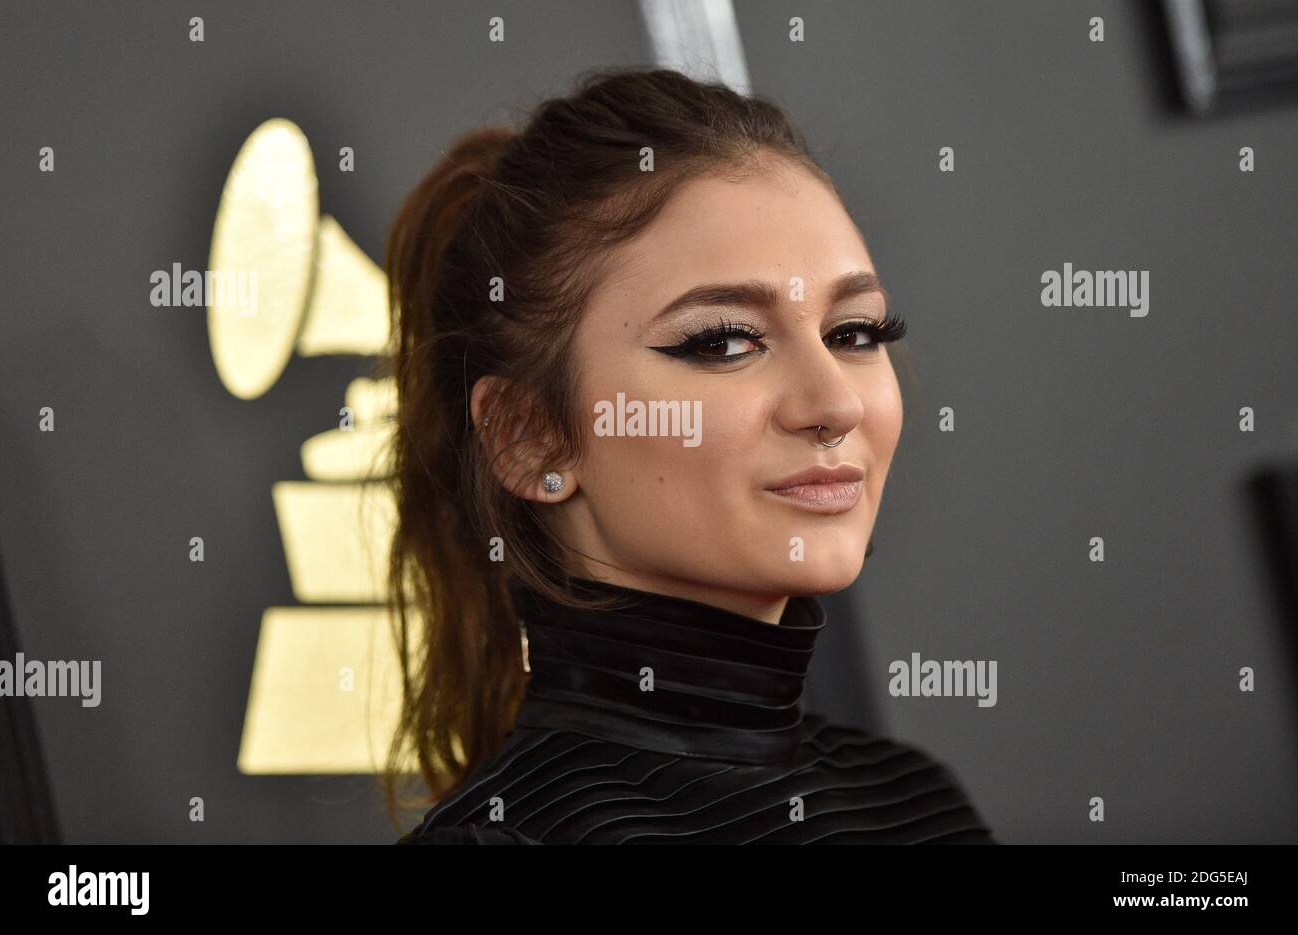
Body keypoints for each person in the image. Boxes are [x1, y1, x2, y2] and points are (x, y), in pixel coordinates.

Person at [381, 66, 996, 844]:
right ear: (527, 434)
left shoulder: (913, 798)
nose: (835, 402)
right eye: (724, 341)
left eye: (855, 333)